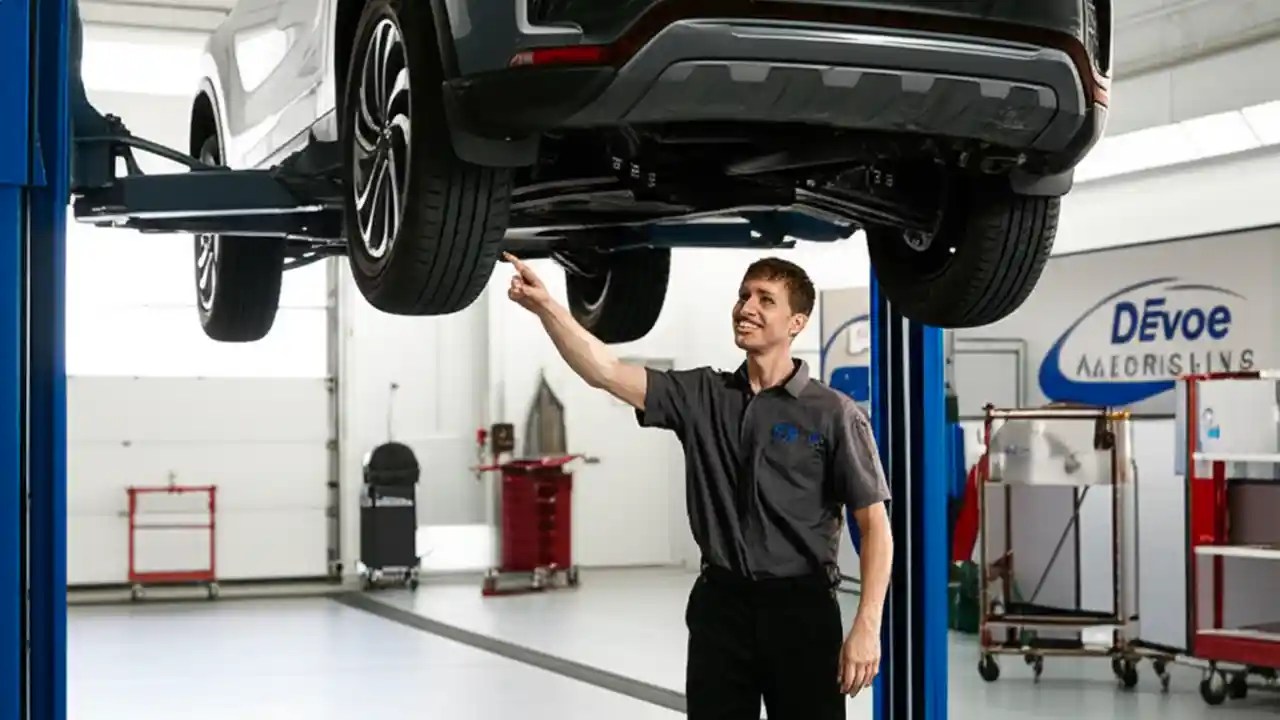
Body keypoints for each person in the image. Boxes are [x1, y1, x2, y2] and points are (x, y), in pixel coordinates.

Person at [502, 252, 893, 720]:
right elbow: (604, 370)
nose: (746, 306)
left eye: (765, 300)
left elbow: (875, 527)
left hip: (801, 612)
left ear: (796, 323)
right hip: (720, 608)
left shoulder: (833, 413)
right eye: (743, 295)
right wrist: (548, 305)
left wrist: (867, 624)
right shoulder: (703, 396)